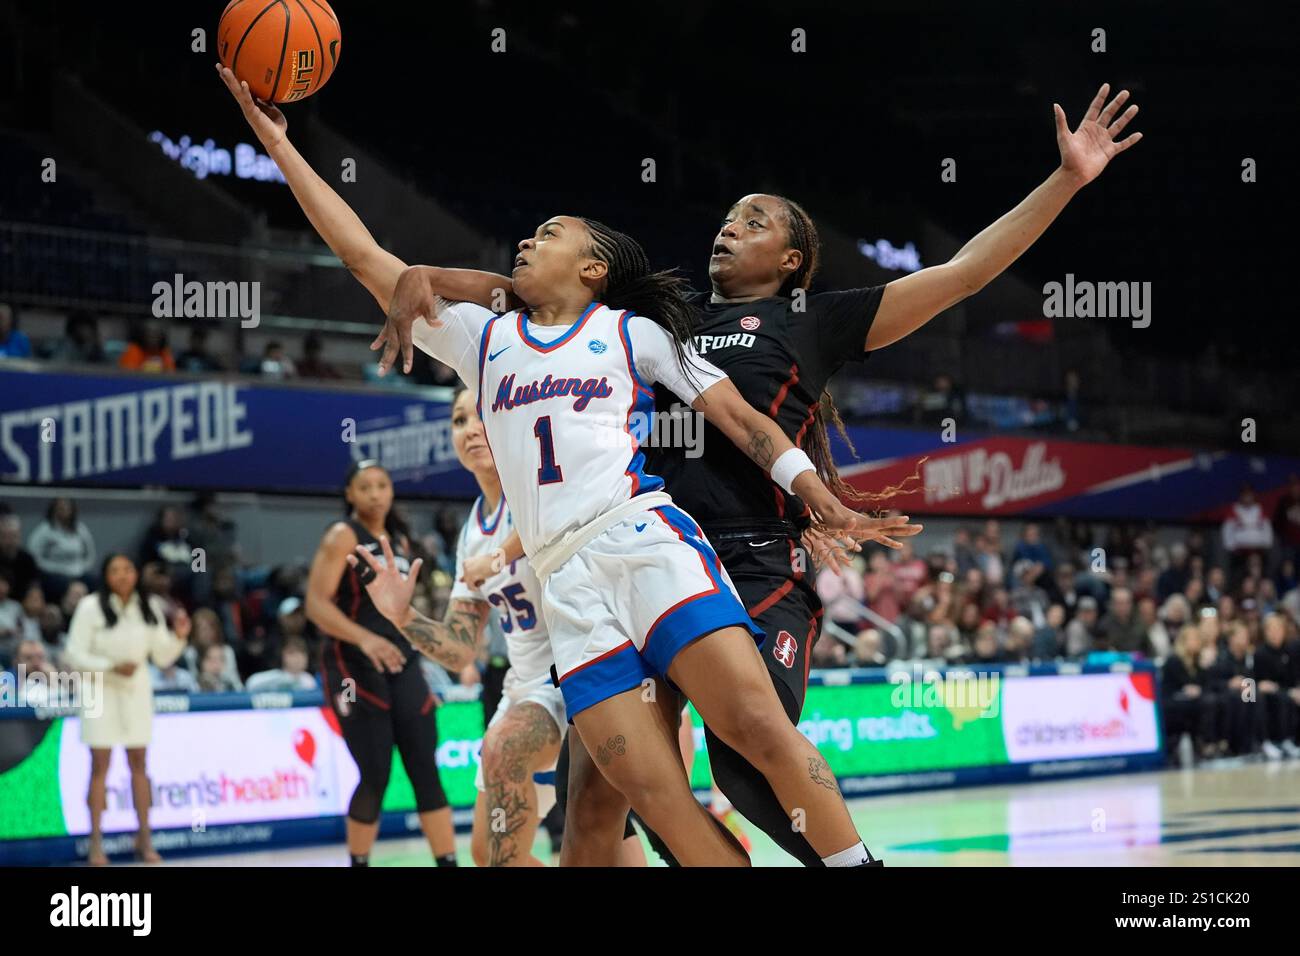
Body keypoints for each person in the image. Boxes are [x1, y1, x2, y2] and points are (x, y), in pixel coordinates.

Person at [353, 390, 566, 867]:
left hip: (578, 680)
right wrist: (403, 617)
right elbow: (459, 650)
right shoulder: (473, 525)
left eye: (481, 416)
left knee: (503, 750)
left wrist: (494, 560)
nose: (469, 428)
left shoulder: (540, 485)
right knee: (489, 855)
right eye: (458, 419)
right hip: (524, 687)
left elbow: (546, 527)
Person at [305, 460, 456, 867]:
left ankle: (448, 862)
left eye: (382, 485)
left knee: (426, 769)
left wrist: (423, 663)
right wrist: (366, 638)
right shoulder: (342, 536)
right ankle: (359, 862)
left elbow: (403, 612)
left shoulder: (401, 541)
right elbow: (316, 605)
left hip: (403, 661)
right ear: (350, 494)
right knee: (376, 773)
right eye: (365, 486)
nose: (375, 493)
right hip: (353, 661)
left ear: (392, 491)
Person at [63, 553, 190, 864]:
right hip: (99, 690)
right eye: (115, 570)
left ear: (136, 573)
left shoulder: (148, 606)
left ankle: (145, 838)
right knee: (99, 766)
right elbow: (73, 654)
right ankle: (95, 842)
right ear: (105, 575)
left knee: (140, 766)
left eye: (128, 569)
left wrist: (179, 637)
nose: (122, 575)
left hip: (136, 692)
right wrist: (110, 666)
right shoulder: (90, 607)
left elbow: (161, 657)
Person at [27, 498, 97, 601]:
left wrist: (83, 567)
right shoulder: (45, 530)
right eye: (60, 508)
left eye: (67, 508)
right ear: (54, 510)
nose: (64, 511)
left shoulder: (80, 528)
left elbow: (90, 553)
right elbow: (33, 555)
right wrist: (49, 568)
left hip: (78, 571)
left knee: (96, 582)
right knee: (65, 587)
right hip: (54, 573)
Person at [245, 636, 319, 693]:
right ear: (283, 656)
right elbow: (251, 684)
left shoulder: (309, 680)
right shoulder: (272, 677)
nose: (298, 658)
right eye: (292, 653)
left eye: (302, 653)